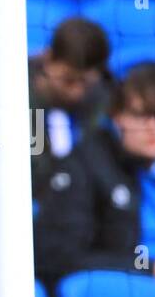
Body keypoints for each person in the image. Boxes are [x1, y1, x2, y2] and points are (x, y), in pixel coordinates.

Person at [34, 62, 155, 297]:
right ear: (118, 116)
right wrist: (153, 269)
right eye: (142, 115)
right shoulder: (84, 166)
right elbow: (57, 256)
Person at [29, 17, 112, 200]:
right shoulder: (16, 95)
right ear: (49, 59)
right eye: (68, 80)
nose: (76, 92)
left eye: (85, 82)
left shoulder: (103, 99)